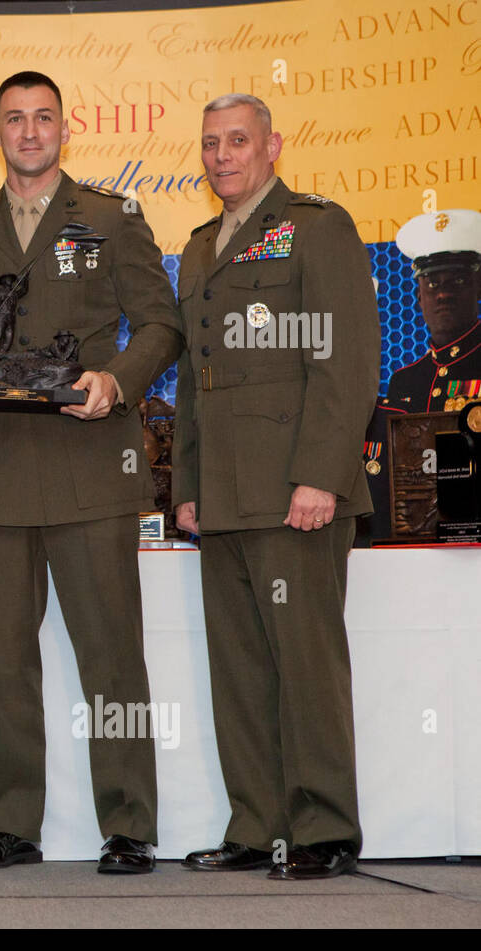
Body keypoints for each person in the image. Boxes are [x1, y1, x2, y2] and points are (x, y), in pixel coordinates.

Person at [0, 71, 182, 874]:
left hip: (91, 470)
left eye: (42, 118)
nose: (29, 132)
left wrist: (117, 381)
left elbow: (162, 323)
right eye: (14, 120)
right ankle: (8, 826)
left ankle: (129, 824)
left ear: (66, 128)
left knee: (112, 658)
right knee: (3, 661)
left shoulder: (110, 217)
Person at [172, 94, 380, 879]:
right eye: (210, 144)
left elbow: (347, 359)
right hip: (222, 498)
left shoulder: (317, 225)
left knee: (306, 665)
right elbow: (197, 382)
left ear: (272, 146)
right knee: (240, 669)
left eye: (237, 141)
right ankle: (258, 826)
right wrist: (186, 484)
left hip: (296, 491)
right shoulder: (197, 250)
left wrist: (320, 477)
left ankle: (324, 829)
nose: (222, 156)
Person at [362, 210, 481, 539]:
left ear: (477, 285)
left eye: (456, 281)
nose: (442, 293)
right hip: (415, 543)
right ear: (418, 294)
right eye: (432, 283)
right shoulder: (406, 380)